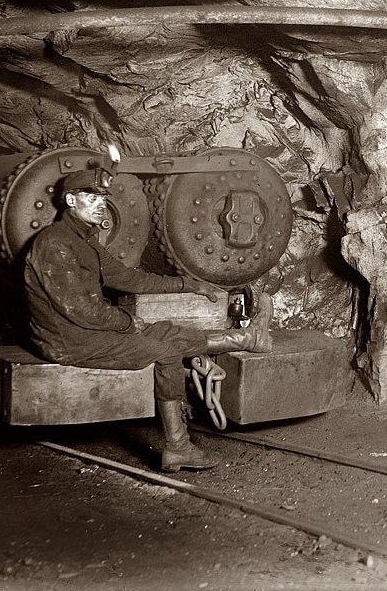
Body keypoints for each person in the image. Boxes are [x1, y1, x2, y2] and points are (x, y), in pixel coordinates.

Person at [23, 167, 273, 472]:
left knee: (166, 332)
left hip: (82, 331)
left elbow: (128, 279)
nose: (100, 202)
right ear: (72, 200)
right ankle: (178, 448)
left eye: (102, 196)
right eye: (91, 197)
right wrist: (129, 323)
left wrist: (187, 284)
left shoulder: (83, 240)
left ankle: (248, 338)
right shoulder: (54, 243)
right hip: (66, 340)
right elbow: (80, 310)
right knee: (165, 351)